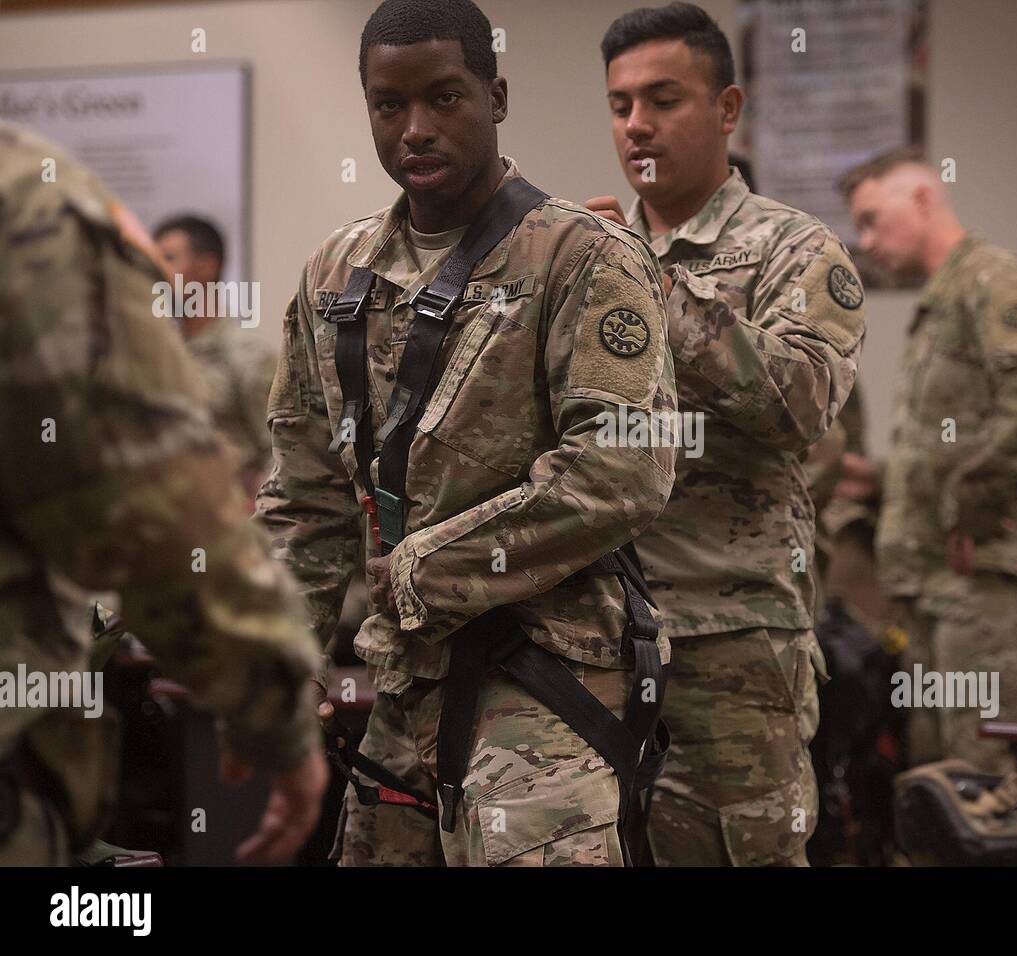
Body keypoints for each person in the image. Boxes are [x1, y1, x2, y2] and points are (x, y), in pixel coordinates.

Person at [256, 0, 676, 867]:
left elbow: (622, 469)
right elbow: (306, 500)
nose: (415, 129)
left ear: (497, 95)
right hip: (403, 687)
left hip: (543, 681)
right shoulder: (337, 273)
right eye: (388, 105)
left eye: (445, 98)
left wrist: (422, 568)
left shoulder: (578, 255)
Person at [0, 121, 326, 866]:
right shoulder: (26, 197)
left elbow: (280, 460)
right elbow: (164, 519)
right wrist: (272, 719)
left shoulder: (243, 353)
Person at [586, 2, 866, 866]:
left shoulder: (796, 247)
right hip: (592, 634)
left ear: (728, 108)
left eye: (664, 99)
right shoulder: (584, 249)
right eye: (621, 103)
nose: (638, 124)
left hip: (729, 636)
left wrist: (651, 289)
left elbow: (802, 405)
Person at [842, 147, 1017, 775]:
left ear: (921, 196)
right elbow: (953, 439)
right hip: (936, 586)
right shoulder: (941, 302)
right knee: (943, 790)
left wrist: (973, 506)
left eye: (870, 219)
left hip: (985, 580)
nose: (865, 241)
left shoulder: (991, 277)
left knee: (993, 785)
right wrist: (881, 481)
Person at [155, 214, 276, 503]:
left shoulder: (247, 354)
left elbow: (280, 453)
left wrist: (257, 513)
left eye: (169, 259)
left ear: (207, 266)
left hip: (225, 525)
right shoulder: (158, 352)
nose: (155, 272)